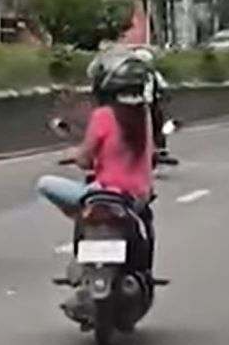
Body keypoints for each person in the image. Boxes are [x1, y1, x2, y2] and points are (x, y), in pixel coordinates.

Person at [38, 52, 157, 271]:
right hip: (137, 197)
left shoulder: (103, 116)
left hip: (104, 193)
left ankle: (84, 222)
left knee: (45, 183)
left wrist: (74, 154)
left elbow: (85, 159)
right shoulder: (144, 115)